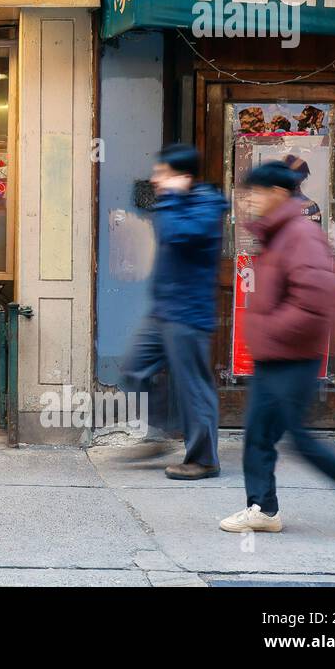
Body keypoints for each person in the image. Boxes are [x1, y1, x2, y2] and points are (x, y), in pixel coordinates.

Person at [219, 161, 335, 533]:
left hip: (292, 357)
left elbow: (315, 303)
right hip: (277, 355)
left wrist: (269, 331)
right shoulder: (278, 235)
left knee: (295, 438)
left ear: (278, 194)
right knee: (259, 434)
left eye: (254, 193)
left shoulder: (299, 235)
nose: (248, 201)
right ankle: (263, 509)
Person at [119, 143, 228, 479]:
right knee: (132, 371)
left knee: (194, 387)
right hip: (163, 310)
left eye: (161, 173)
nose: (155, 179)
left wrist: (173, 198)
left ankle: (204, 459)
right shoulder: (175, 202)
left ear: (183, 176)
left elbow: (176, 235)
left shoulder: (207, 205)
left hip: (188, 313)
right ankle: (168, 430)